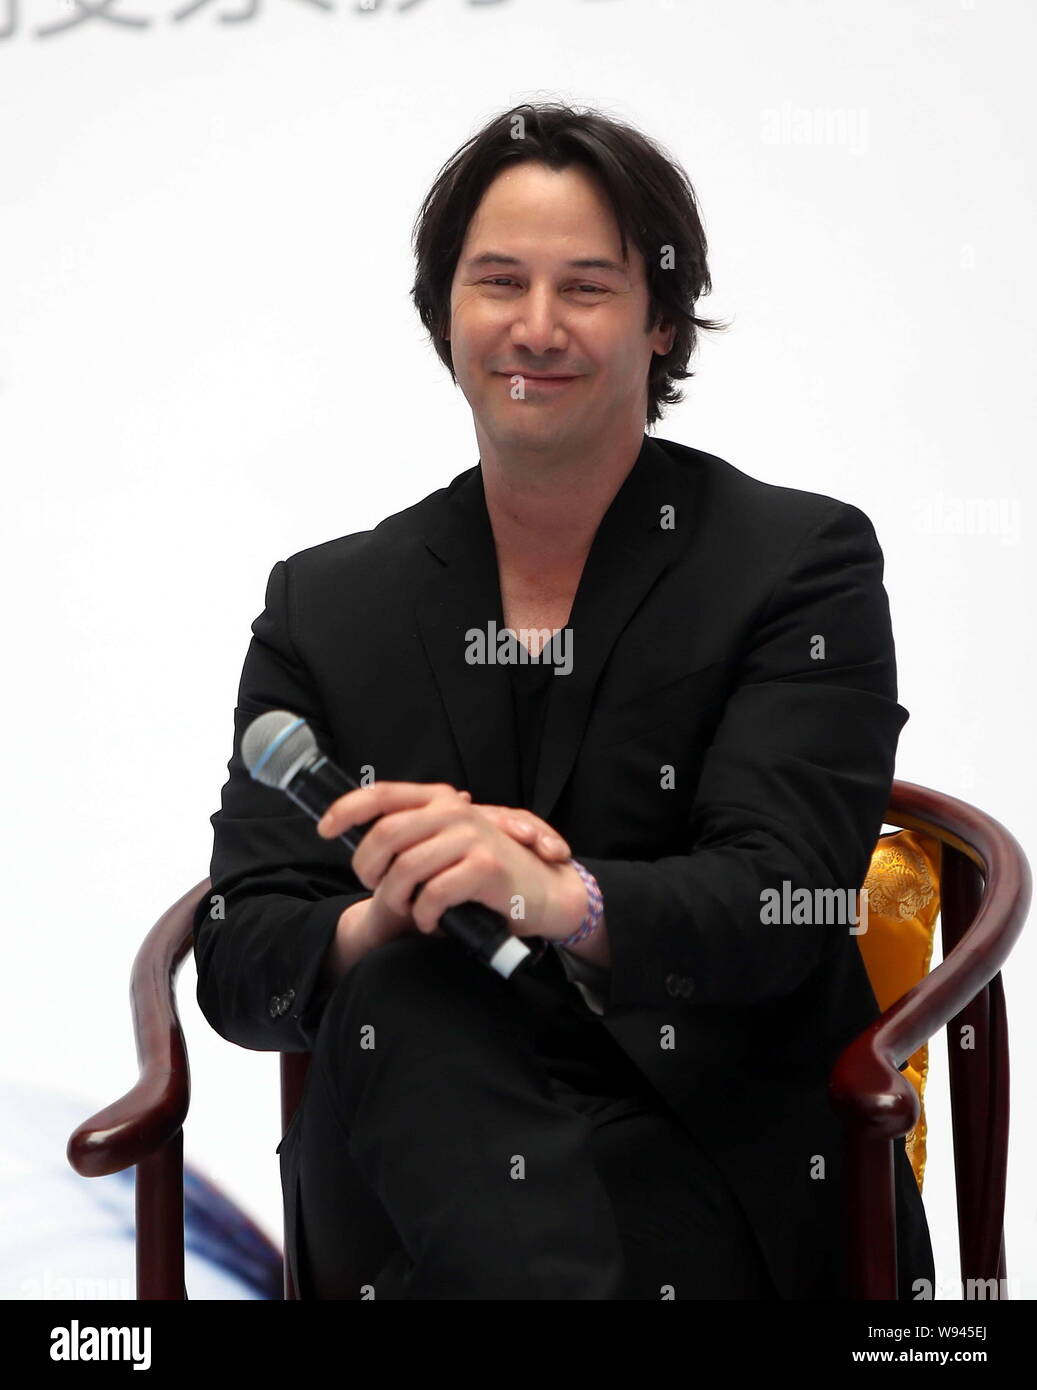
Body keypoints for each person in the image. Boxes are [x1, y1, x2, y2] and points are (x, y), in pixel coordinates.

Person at [193, 101, 935, 1300]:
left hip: (704, 1146)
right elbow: (239, 959)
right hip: (408, 1144)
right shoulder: (326, 602)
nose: (534, 329)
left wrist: (551, 895)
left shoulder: (796, 560)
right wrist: (394, 909)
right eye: (498, 283)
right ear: (444, 314)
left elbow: (780, 898)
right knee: (397, 976)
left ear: (660, 321)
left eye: (585, 287)